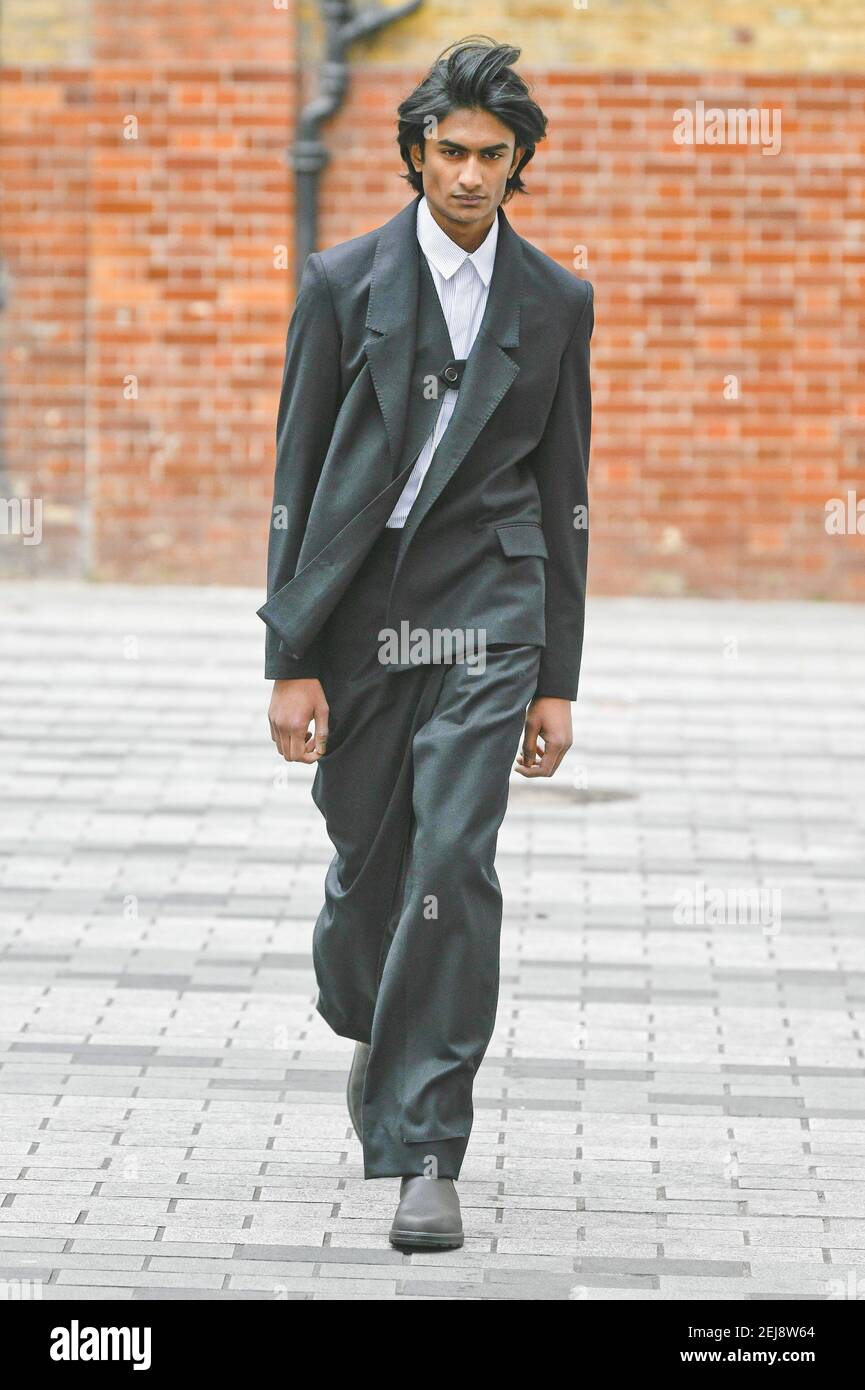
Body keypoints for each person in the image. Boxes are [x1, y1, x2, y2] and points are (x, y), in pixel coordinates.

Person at [259, 37, 594, 1251]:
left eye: (491, 156)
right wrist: (287, 653)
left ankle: (424, 1149)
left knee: (453, 857)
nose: (467, 174)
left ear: (518, 166)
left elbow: (565, 492)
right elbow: (295, 477)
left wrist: (555, 675)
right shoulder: (342, 284)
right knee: (373, 873)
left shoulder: (556, 303)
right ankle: (369, 1005)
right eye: (447, 151)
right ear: (414, 155)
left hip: (487, 608)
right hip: (358, 616)